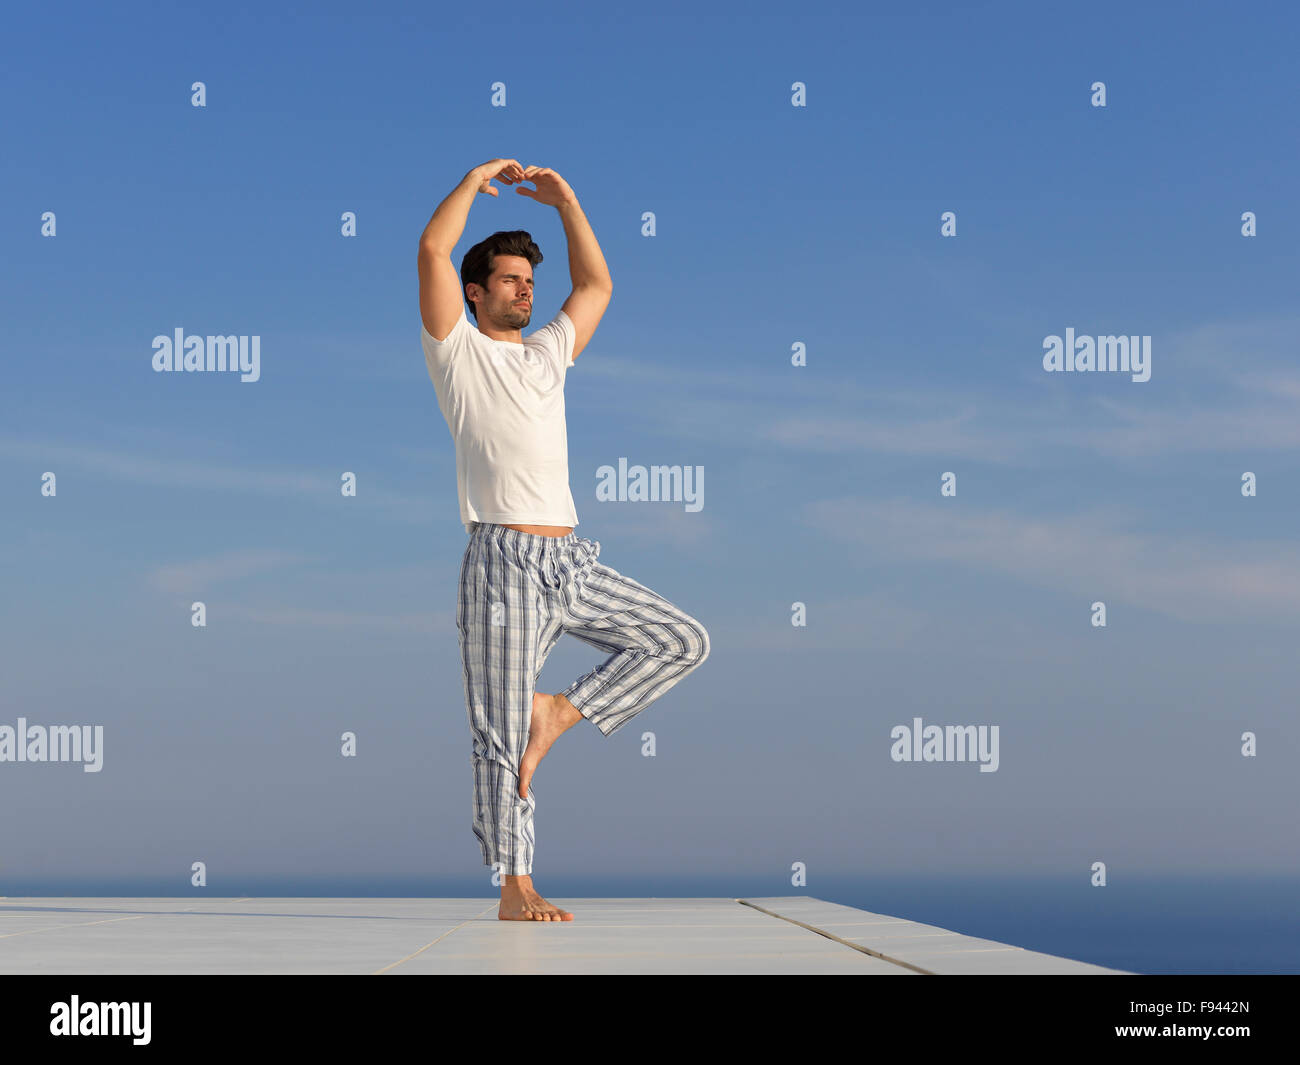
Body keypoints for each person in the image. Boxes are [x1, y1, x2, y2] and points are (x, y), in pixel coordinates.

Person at [417, 159, 710, 921]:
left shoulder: (548, 353)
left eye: (528, 279)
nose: (525, 288)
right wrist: (475, 179)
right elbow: (430, 253)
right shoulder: (458, 352)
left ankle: (560, 713)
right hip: (502, 566)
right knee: (497, 734)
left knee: (681, 640)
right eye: (508, 279)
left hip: (570, 561)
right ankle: (515, 886)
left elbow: (598, 287)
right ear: (476, 292)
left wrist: (568, 202)